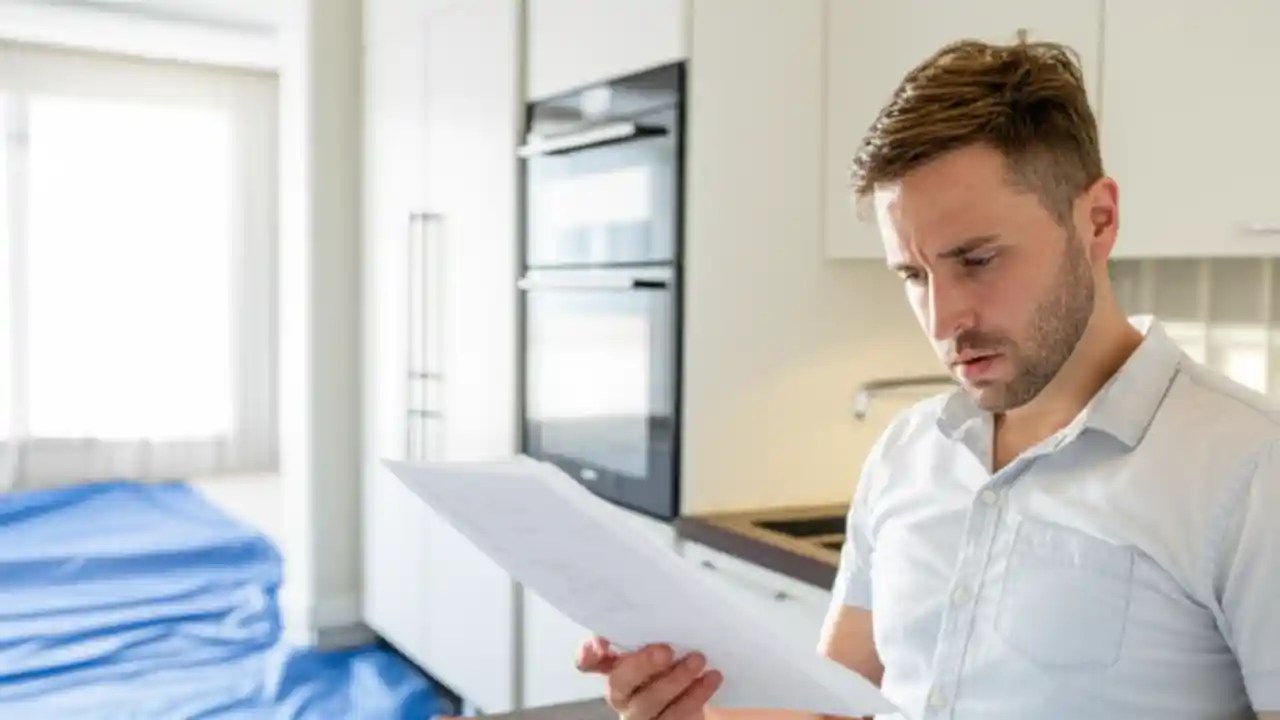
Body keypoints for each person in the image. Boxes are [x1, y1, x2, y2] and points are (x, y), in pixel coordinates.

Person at [575, 36, 1280, 720]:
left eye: (976, 260)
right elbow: (834, 708)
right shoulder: (907, 452)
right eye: (913, 275)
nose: (943, 320)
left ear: (1098, 220)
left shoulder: (1248, 470)